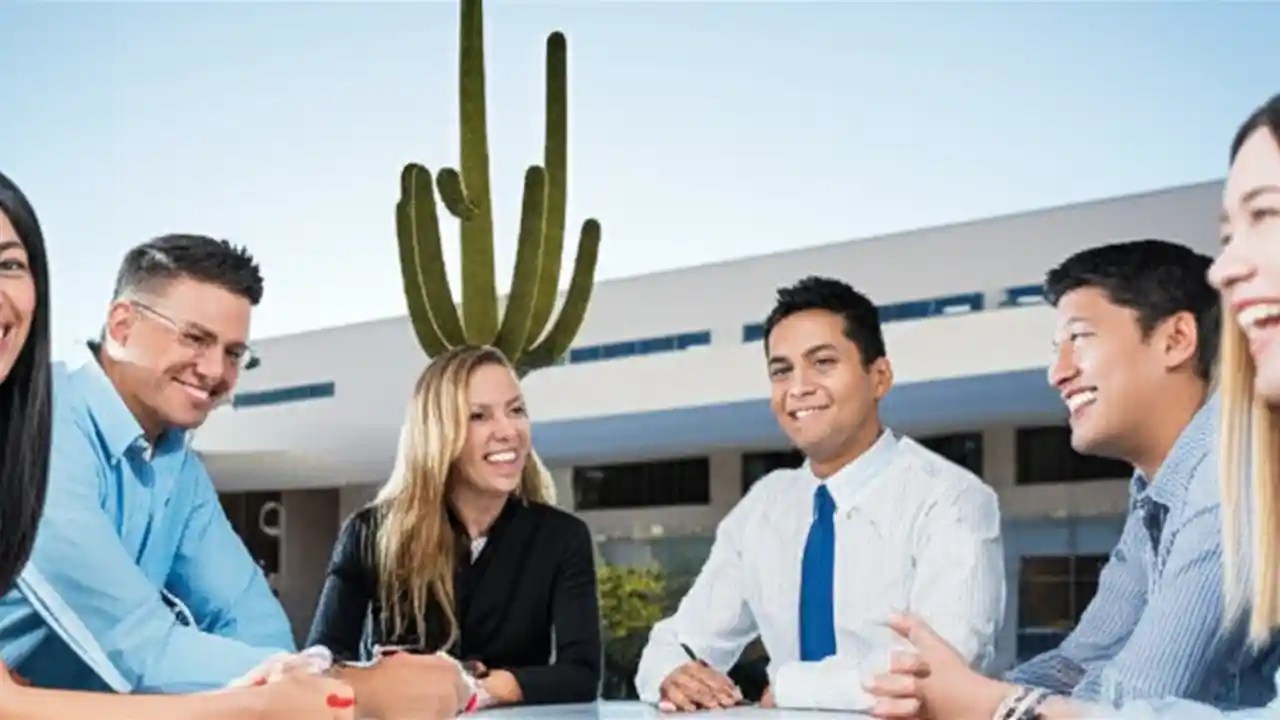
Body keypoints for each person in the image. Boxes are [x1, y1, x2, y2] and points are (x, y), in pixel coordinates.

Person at [866, 93, 1280, 720]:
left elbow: (1134, 697)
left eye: (1079, 339)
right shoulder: (1158, 491)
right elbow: (1081, 659)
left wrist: (992, 703)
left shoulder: (1235, 470)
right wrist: (957, 691)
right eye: (1227, 236)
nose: (1056, 373)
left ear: (1176, 339)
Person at [0, 170, 356, 717]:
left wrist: (294, 679)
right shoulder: (37, 427)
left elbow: (245, 611)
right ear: (121, 326)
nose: (215, 371)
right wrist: (313, 690)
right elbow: (137, 645)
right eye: (194, 338)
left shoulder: (175, 463)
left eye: (234, 353)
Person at [633, 276, 1005, 712]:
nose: (798, 388)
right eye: (781, 371)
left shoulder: (952, 499)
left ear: (879, 377)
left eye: (823, 362)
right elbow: (676, 641)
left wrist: (788, 688)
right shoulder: (765, 506)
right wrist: (673, 674)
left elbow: (937, 671)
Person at [306, 344, 603, 709]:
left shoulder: (562, 537)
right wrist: (385, 683)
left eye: (516, 410)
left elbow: (581, 674)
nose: (508, 431)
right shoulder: (369, 533)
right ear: (438, 433)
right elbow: (321, 662)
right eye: (479, 416)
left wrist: (478, 690)